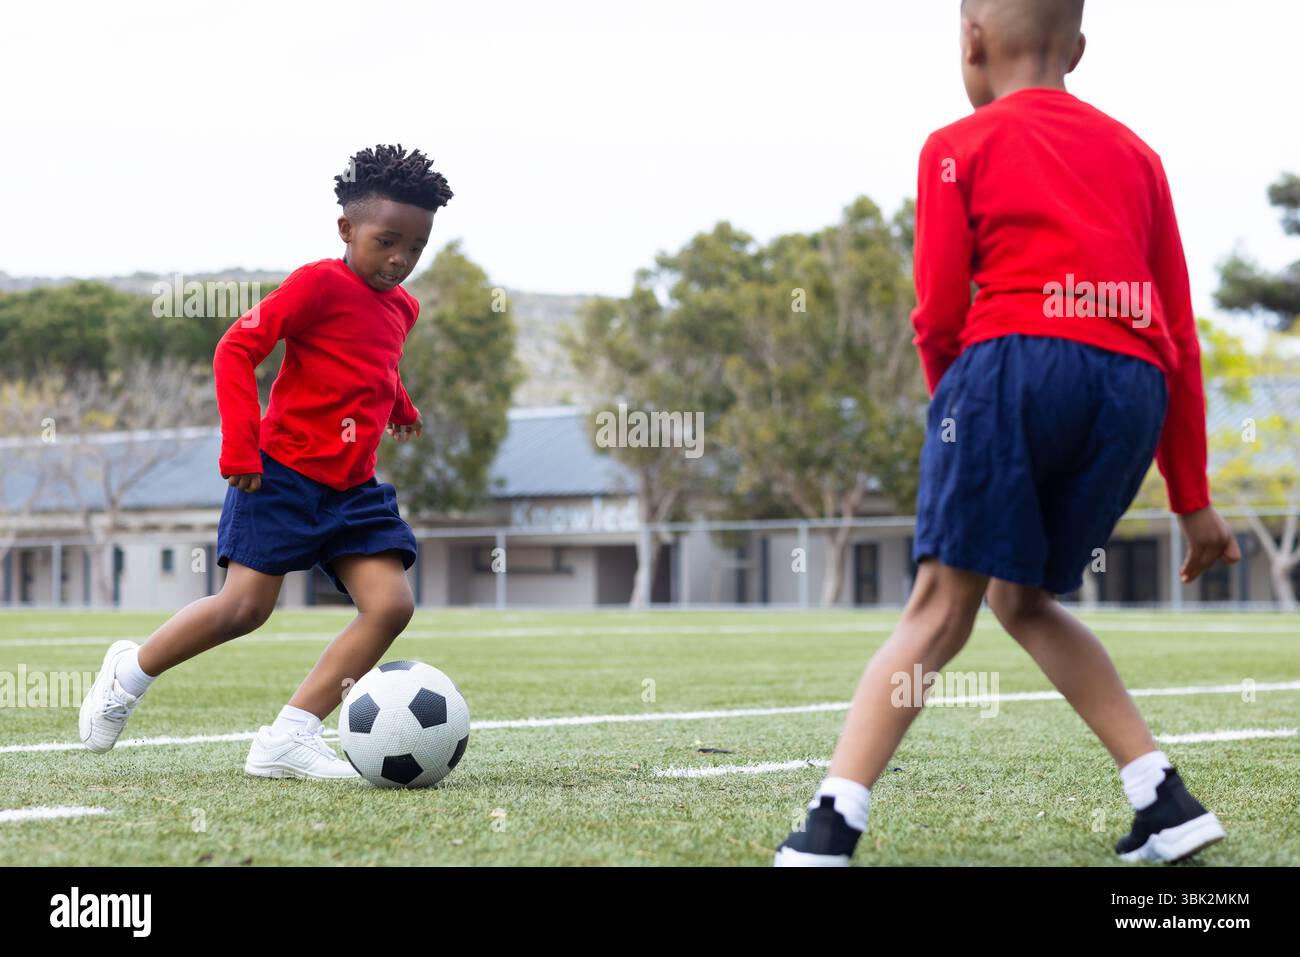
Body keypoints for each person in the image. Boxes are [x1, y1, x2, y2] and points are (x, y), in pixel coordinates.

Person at [775, 0, 1241, 865]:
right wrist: (1195, 498)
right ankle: (1164, 798)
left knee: (937, 605)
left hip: (1014, 370)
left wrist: (954, 420)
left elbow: (939, 316)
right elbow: (1177, 334)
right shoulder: (1141, 157)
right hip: (1129, 386)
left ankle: (828, 827)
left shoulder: (957, 146)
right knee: (1021, 599)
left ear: (971, 39)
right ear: (1080, 47)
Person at [79, 145, 451, 780]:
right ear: (346, 230)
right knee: (244, 610)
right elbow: (235, 349)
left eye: (416, 248)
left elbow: (375, 365)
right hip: (279, 474)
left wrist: (401, 405)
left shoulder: (403, 307)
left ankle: (289, 736)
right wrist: (240, 447)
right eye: (387, 241)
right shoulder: (317, 284)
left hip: (354, 487)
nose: (400, 259)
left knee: (391, 605)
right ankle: (129, 672)